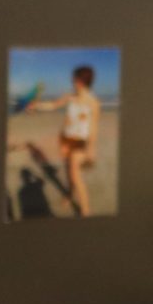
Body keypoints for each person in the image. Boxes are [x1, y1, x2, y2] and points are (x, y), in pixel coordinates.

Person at [57, 65, 99, 217]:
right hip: (66, 139)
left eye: (74, 78)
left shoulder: (93, 102)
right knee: (68, 168)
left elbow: (93, 128)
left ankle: (85, 210)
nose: (72, 80)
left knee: (75, 173)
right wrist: (36, 105)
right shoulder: (70, 97)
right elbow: (54, 105)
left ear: (81, 80)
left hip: (81, 142)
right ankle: (69, 194)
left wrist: (91, 149)